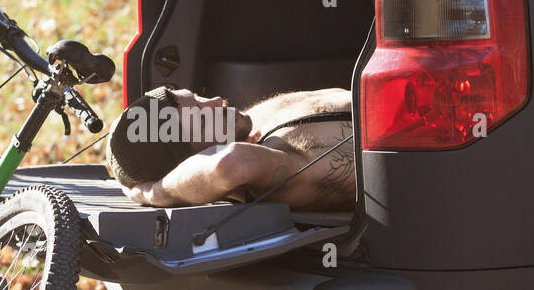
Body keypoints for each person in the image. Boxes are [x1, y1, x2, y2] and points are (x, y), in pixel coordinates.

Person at [106, 86, 354, 210]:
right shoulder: (266, 173)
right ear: (193, 161)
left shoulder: (242, 124)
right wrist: (154, 192)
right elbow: (231, 166)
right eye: (203, 121)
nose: (214, 102)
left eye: (196, 99)